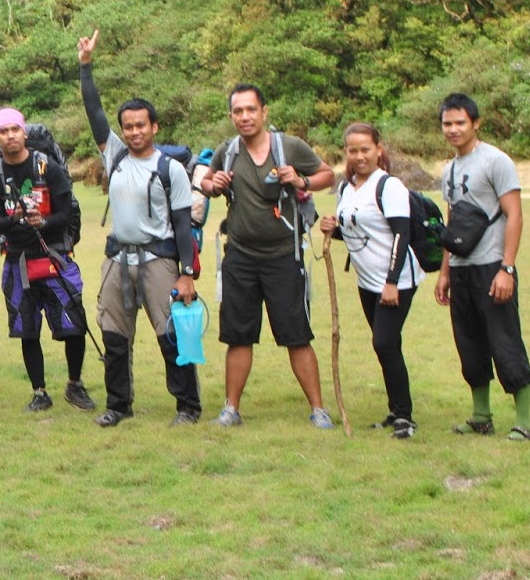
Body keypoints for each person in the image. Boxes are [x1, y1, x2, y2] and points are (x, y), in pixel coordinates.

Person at [78, 30, 202, 428]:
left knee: (171, 336)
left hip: (160, 259)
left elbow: (183, 226)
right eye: (127, 126)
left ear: (154, 127)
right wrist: (86, 68)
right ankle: (118, 405)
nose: (133, 132)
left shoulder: (172, 169)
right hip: (118, 258)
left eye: (140, 126)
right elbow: (94, 113)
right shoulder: (114, 155)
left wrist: (186, 275)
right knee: (114, 335)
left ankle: (187, 406)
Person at [199, 84, 336, 428]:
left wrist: (301, 180)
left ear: (264, 112)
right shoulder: (227, 151)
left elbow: (328, 175)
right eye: (238, 111)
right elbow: (206, 184)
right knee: (238, 335)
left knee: (297, 334)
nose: (245, 117)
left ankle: (318, 409)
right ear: (231, 116)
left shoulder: (288, 147)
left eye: (251, 110)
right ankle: (231, 410)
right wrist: (213, 184)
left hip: (283, 256)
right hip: (240, 257)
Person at [0, 107, 96, 414]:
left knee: (74, 324)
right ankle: (39, 392)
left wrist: (42, 223)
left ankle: (75, 384)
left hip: (55, 256)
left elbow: (66, 212)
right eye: (3, 131)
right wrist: (13, 219)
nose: (10, 135)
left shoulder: (47, 167)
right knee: (27, 330)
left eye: (15, 129)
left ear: (24, 133)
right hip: (18, 263)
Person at [433, 93, 530, 442]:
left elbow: (515, 214)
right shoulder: (449, 169)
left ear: (476, 123)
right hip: (461, 268)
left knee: (504, 340)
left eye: (460, 122)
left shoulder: (496, 162)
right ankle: (480, 415)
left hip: (491, 265)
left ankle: (523, 420)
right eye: (447, 123)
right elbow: (453, 223)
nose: (453, 129)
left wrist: (506, 268)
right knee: (469, 342)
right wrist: (445, 272)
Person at [317, 122, 423, 439]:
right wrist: (331, 229)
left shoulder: (388, 187)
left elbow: (401, 235)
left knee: (385, 342)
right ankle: (395, 410)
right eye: (353, 150)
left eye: (366, 149)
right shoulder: (345, 189)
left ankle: (405, 418)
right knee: (386, 346)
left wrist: (391, 282)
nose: (360, 156)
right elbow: (353, 231)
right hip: (367, 282)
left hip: (397, 280)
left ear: (379, 149)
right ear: (345, 153)